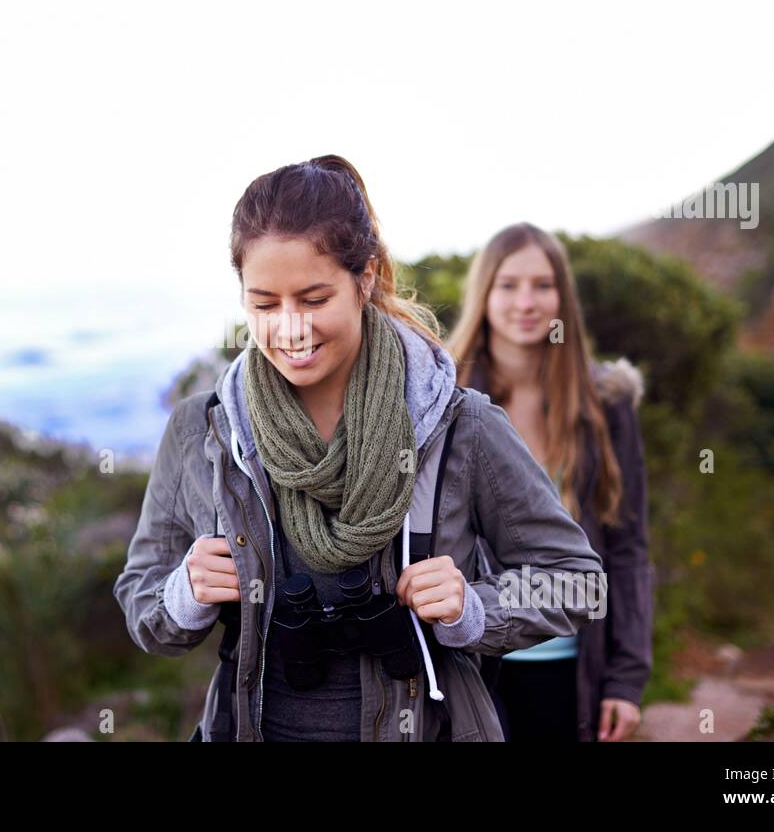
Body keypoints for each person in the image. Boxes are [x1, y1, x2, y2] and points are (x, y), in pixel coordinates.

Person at [113, 158, 604, 741]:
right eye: (264, 305)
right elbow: (142, 602)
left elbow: (577, 581)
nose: (290, 329)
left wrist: (473, 606)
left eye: (315, 299)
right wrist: (183, 593)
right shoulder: (204, 430)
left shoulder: (460, 424)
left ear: (365, 277)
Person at [445, 222, 654, 742]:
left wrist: (626, 680)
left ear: (563, 295)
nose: (526, 301)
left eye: (543, 284)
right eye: (509, 284)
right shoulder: (444, 402)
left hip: (576, 665)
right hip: (474, 662)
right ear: (484, 294)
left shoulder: (606, 404)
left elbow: (627, 548)